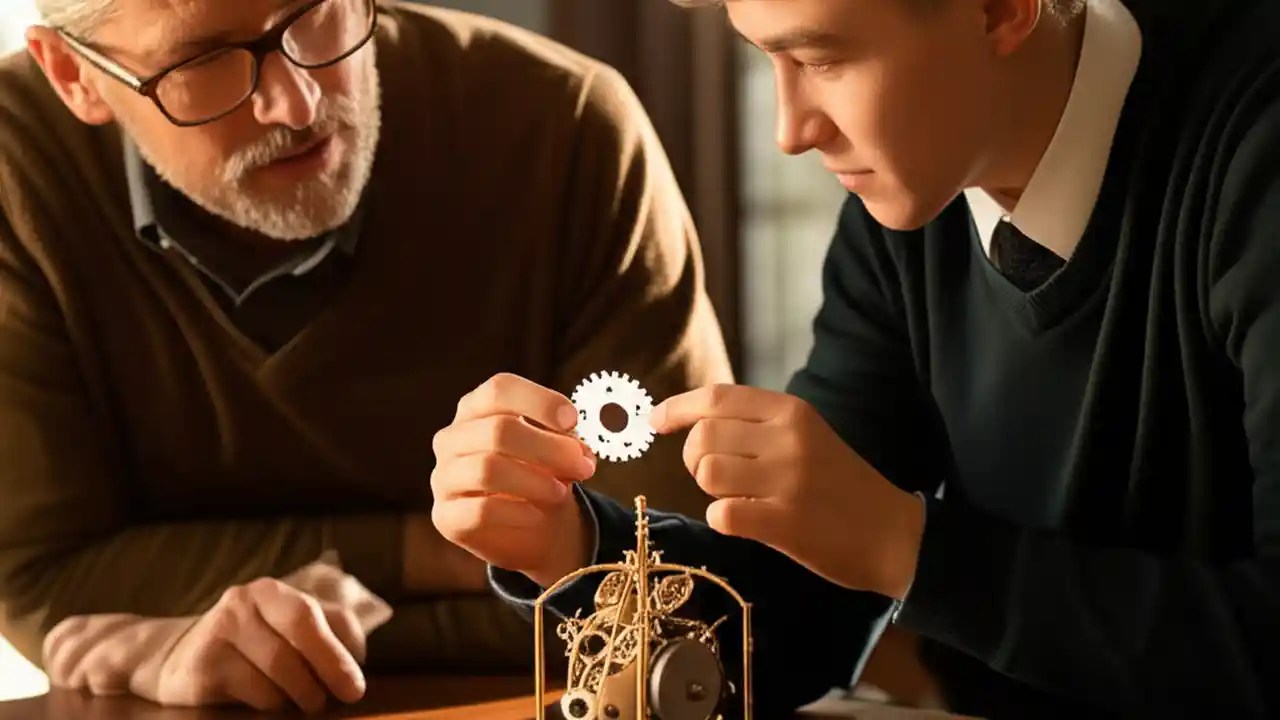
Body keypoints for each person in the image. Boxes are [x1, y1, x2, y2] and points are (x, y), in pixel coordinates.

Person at [432, 0, 1280, 716]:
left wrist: (905, 545)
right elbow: (802, 614)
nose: (789, 131)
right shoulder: (915, 203)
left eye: (823, 59)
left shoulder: (1255, 152)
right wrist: (575, 549)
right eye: (767, 57)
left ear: (1000, 8)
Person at [0, 0, 734, 713]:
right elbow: (41, 581)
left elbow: (674, 598)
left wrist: (197, 627)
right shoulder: (15, 166)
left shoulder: (565, 126)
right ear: (74, 75)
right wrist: (445, 552)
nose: (296, 101)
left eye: (313, 13)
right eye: (205, 60)